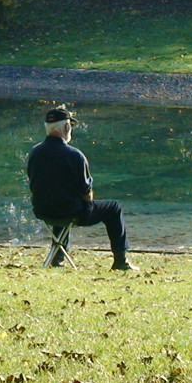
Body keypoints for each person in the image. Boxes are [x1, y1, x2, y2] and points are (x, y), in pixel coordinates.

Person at [27, 106, 138, 271]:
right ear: (66, 127)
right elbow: (86, 191)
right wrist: (88, 201)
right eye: (70, 125)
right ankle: (120, 260)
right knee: (113, 207)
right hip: (70, 212)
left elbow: (33, 181)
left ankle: (57, 259)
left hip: (42, 210)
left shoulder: (35, 152)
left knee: (59, 199)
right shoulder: (75, 155)